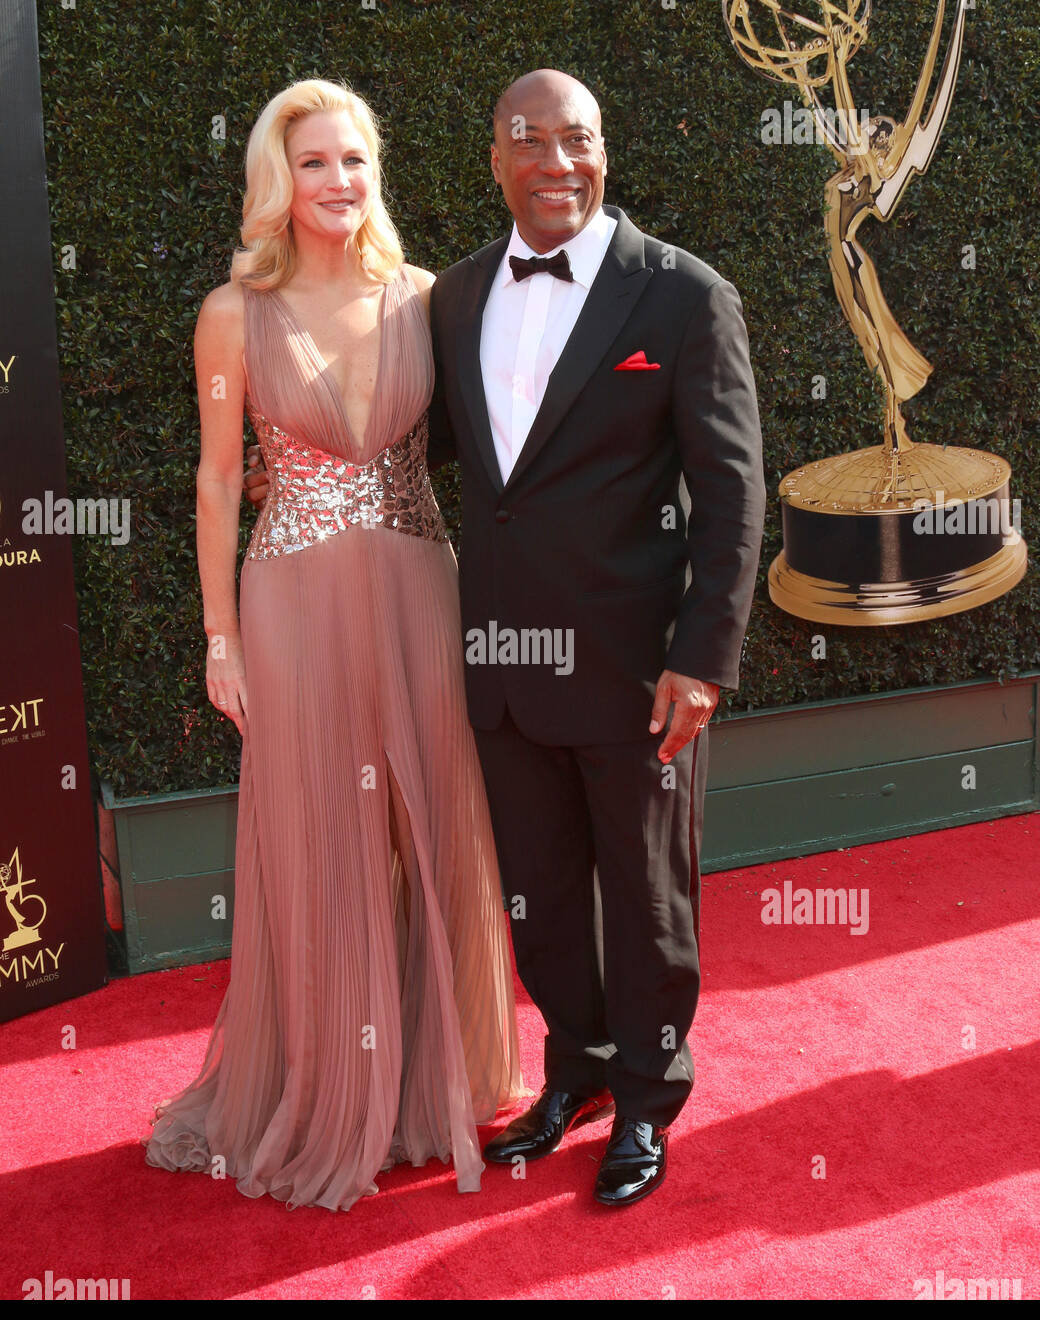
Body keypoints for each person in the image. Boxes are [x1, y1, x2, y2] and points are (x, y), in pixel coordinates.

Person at [247, 69, 765, 1207]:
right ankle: (573, 1069)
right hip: (495, 669)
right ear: (494, 159)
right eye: (526, 141)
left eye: (574, 138)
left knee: (644, 897)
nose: (553, 162)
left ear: (602, 150)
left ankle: (644, 1095)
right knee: (533, 891)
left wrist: (703, 657)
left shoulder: (682, 296)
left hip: (639, 673)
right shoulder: (459, 295)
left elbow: (732, 497)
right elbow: (406, 445)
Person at [143, 78, 526, 1214]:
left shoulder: (425, 298)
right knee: (320, 830)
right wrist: (219, 635)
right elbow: (217, 482)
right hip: (293, 602)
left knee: (426, 827)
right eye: (313, 163)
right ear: (277, 178)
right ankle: (327, 1090)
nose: (339, 182)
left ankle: (423, 1082)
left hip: (417, 588)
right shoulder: (232, 313)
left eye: (354, 160)